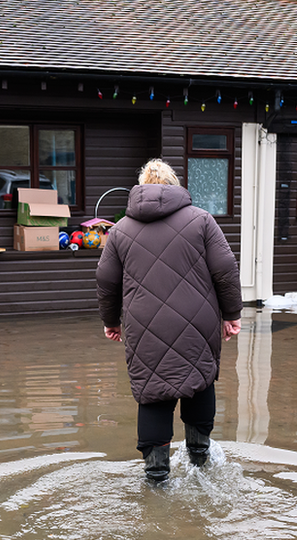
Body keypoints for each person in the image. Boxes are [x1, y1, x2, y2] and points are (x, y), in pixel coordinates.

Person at [96, 159, 243, 483]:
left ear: (141, 186)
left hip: (144, 326)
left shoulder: (120, 230)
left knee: (152, 393)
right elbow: (226, 269)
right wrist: (231, 315)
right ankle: (199, 461)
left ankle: (157, 475)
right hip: (197, 321)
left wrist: (111, 321)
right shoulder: (201, 221)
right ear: (174, 185)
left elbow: (106, 281)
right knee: (199, 381)